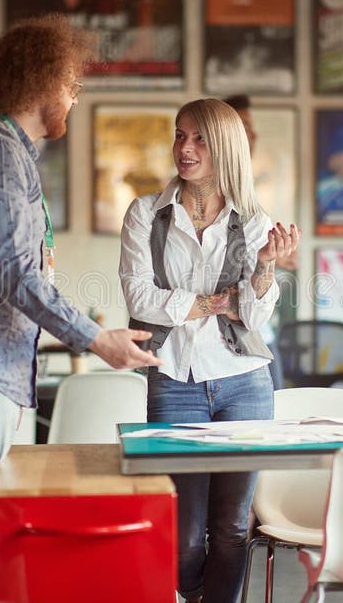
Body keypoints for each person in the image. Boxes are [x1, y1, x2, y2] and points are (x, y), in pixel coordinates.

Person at [0, 13, 162, 602]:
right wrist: (99, 340)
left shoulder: (2, 149)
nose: (75, 96)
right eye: (72, 83)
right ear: (42, 82)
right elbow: (17, 274)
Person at [119, 98, 300, 603]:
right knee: (183, 532)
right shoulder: (144, 214)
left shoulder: (255, 220)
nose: (185, 147)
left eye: (198, 138)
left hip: (245, 383)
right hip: (174, 379)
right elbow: (139, 298)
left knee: (234, 527)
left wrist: (264, 268)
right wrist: (218, 302)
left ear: (224, 146)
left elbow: (255, 315)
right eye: (180, 135)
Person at [222, 94, 299, 390]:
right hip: (229, 337)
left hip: (261, 329)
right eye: (243, 126)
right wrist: (265, 256)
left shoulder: (253, 185)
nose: (252, 135)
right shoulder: (206, 190)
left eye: (251, 127)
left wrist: (279, 253)